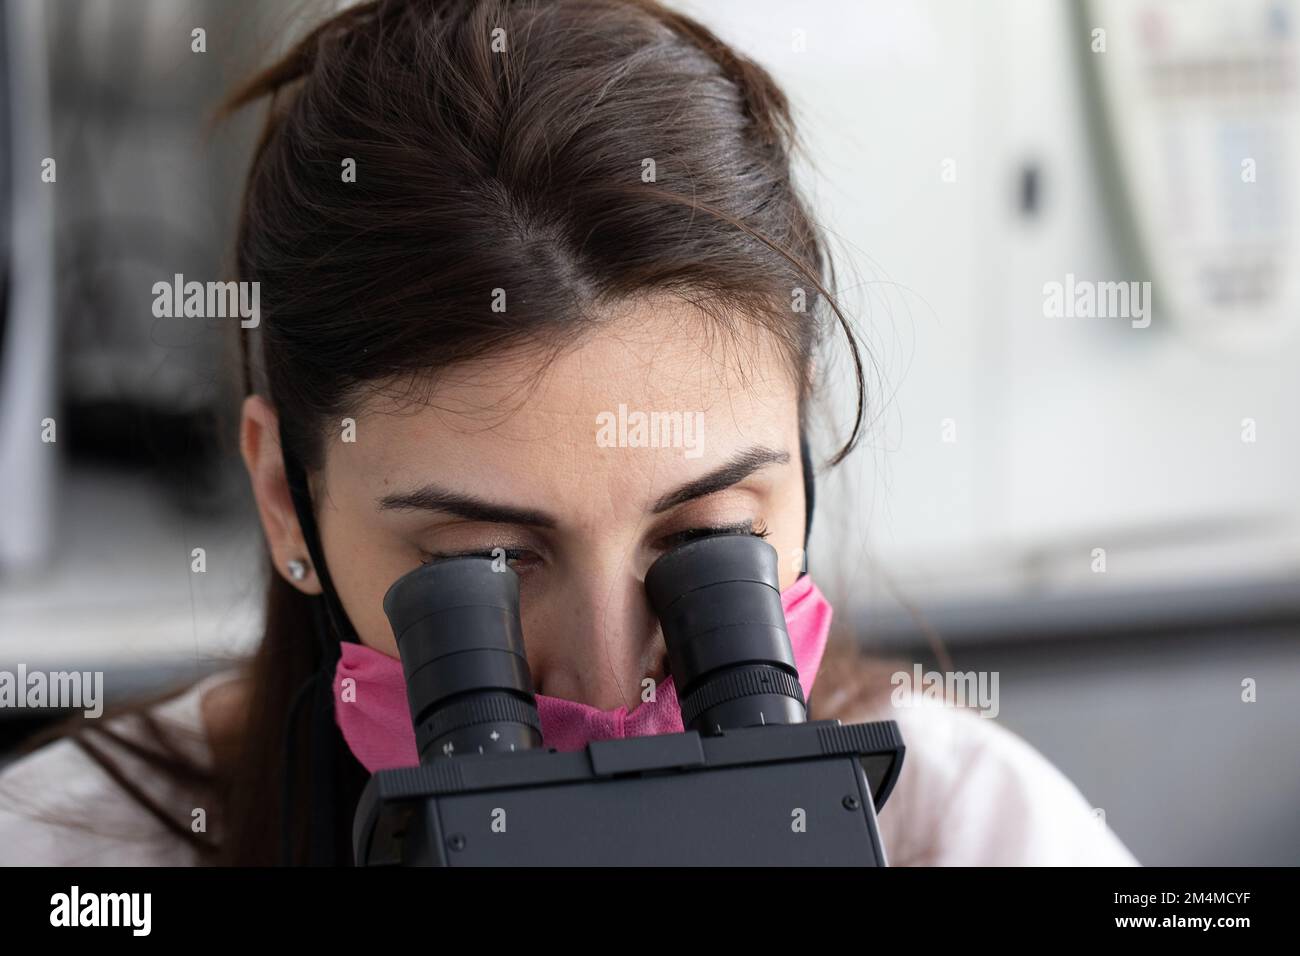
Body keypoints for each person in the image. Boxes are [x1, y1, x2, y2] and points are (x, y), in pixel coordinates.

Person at [0, 0, 1137, 867]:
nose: (603, 682)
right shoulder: (66, 849)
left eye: (706, 538)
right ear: (284, 496)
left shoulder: (979, 831)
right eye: (475, 565)